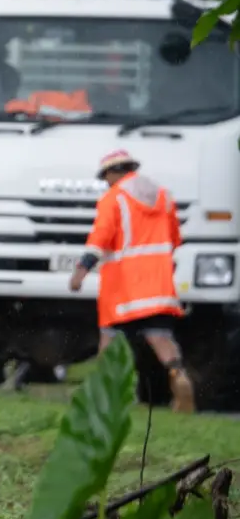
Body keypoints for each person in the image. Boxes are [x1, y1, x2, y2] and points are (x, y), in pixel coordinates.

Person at [68, 149, 195, 413]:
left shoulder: (113, 198)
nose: (107, 183)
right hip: (158, 286)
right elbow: (174, 239)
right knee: (161, 338)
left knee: (110, 341)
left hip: (123, 288)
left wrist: (81, 271)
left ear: (113, 173)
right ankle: (179, 378)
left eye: (106, 178)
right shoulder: (163, 196)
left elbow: (100, 239)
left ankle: (103, 397)